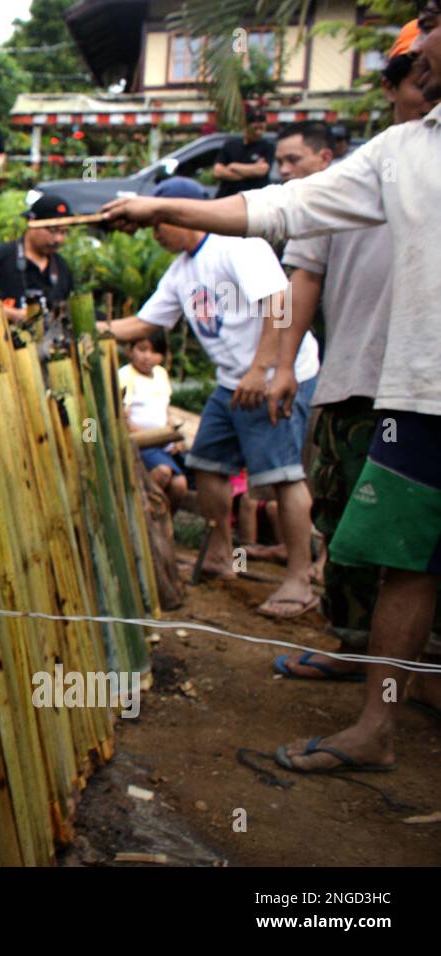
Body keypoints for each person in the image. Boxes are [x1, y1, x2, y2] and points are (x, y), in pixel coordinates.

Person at [100, 3, 441, 773]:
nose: (414, 63)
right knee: (401, 555)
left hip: (311, 375)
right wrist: (161, 202)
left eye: (426, 40)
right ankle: (377, 711)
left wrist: (272, 364)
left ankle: (302, 583)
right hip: (406, 388)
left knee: (296, 484)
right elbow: (282, 224)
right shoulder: (397, 155)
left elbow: (278, 282)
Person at [269, 34, 441, 682]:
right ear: (390, 87)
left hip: (426, 383)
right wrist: (284, 365)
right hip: (354, 377)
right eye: (404, 70)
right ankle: (354, 650)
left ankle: (414, 674)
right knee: (345, 518)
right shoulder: (349, 179)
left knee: (416, 538)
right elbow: (300, 282)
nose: (418, 76)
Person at [98, 176, 320, 619]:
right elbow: (144, 324)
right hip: (231, 380)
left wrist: (263, 370)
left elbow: (279, 301)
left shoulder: (237, 243)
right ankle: (220, 553)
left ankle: (300, 578)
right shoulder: (181, 270)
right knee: (208, 466)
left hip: (276, 372)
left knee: (283, 476)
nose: (156, 231)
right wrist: (88, 330)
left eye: (160, 220)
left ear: (182, 212)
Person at [0, 193, 73, 324]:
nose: (58, 239)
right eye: (52, 230)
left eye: (64, 232)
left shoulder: (62, 268)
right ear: (32, 222)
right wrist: (13, 314)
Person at [119, 329, 188, 511]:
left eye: (154, 351)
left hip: (162, 445)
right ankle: (141, 514)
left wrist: (172, 436)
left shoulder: (161, 374)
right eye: (142, 349)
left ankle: (164, 525)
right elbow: (122, 420)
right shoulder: (125, 375)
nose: (147, 356)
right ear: (130, 350)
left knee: (180, 484)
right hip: (140, 444)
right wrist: (156, 437)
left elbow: (166, 413)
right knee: (163, 472)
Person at [212, 109, 275, 198]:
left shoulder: (267, 146)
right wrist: (251, 172)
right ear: (246, 126)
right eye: (255, 128)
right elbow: (217, 171)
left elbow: (262, 170)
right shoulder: (230, 146)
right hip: (228, 197)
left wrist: (234, 166)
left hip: (255, 200)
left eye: (262, 128)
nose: (259, 132)